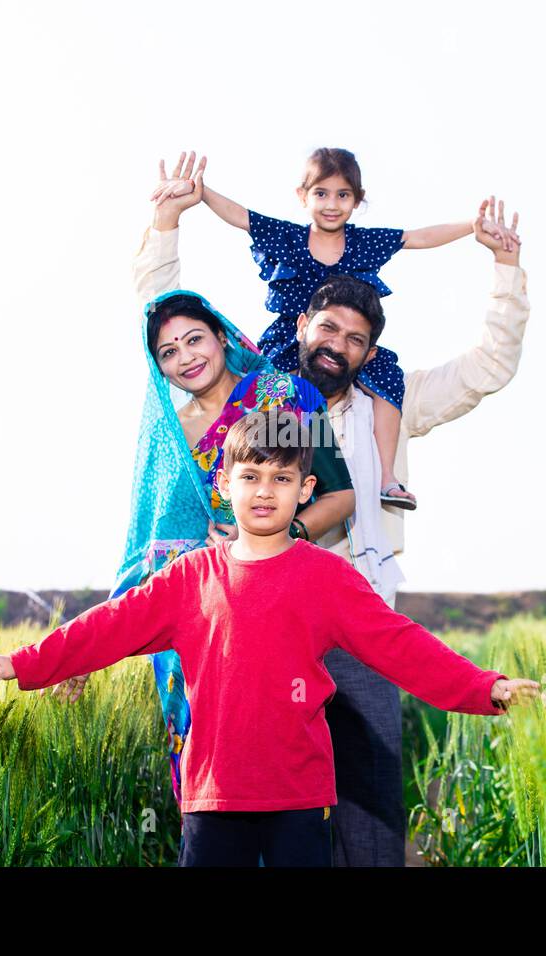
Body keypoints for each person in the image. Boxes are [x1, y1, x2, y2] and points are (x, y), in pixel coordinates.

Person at [135, 160, 531, 866]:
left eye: (354, 339)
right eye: (327, 328)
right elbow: (176, 335)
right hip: (260, 622)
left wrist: (505, 270)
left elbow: (488, 368)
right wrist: (166, 223)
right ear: (300, 325)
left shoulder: (395, 401)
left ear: (370, 352)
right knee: (252, 807)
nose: (337, 345)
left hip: (357, 617)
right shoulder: (265, 395)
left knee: (370, 800)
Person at [0, 409, 543, 866]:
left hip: (299, 797)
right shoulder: (190, 577)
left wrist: (483, 687)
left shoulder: (327, 578)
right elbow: (107, 626)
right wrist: (21, 664)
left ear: (305, 488)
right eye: (251, 476)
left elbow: (400, 643)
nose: (265, 491)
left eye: (281, 478)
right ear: (224, 482)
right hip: (213, 798)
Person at [53, 176, 356, 812]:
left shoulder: (281, 398)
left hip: (274, 591)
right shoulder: (169, 436)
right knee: (206, 775)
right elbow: (145, 550)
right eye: (167, 352)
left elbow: (340, 499)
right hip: (194, 615)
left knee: (280, 754)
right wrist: (81, 652)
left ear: (222, 336)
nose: (185, 356)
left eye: (194, 338)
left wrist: (281, 532)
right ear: (159, 369)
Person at [151, 149, 517, 512]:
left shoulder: (363, 248)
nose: (331, 204)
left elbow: (419, 238)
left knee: (390, 383)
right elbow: (166, 320)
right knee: (275, 393)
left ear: (357, 201)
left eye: (343, 195)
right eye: (322, 193)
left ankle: (387, 477)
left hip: (360, 566)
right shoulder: (258, 393)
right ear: (303, 196)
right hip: (282, 360)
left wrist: (476, 232)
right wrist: (194, 197)